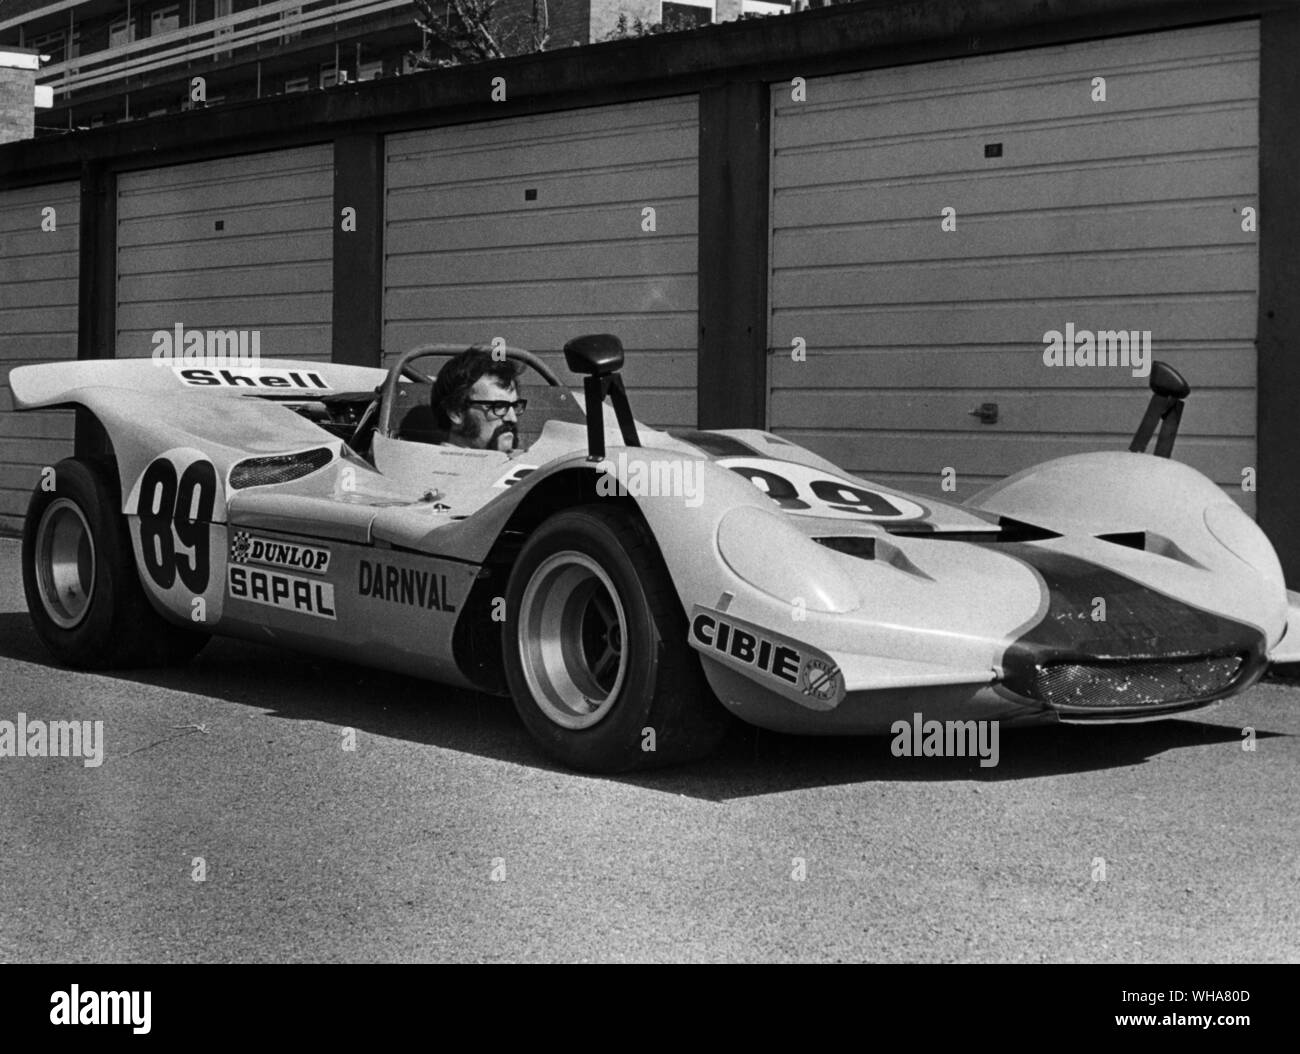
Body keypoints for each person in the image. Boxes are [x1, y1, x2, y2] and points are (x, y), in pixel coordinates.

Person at [429, 347, 526, 452]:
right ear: (456, 412)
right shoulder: (431, 466)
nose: (512, 418)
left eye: (515, 405)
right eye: (499, 406)